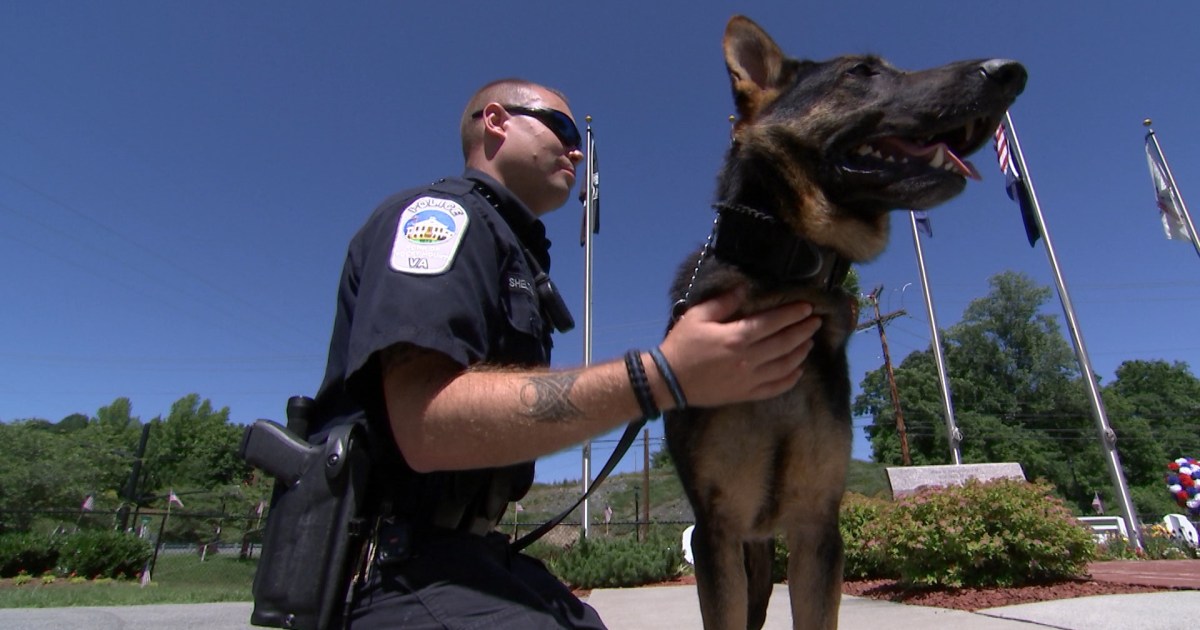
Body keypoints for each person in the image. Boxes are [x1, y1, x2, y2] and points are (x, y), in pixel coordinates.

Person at [310, 78, 823, 629]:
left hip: (456, 558)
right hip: (387, 575)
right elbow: (425, 424)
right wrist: (663, 376)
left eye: (578, 139)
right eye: (560, 128)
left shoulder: (512, 249)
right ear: (496, 122)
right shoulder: (439, 218)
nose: (576, 150)